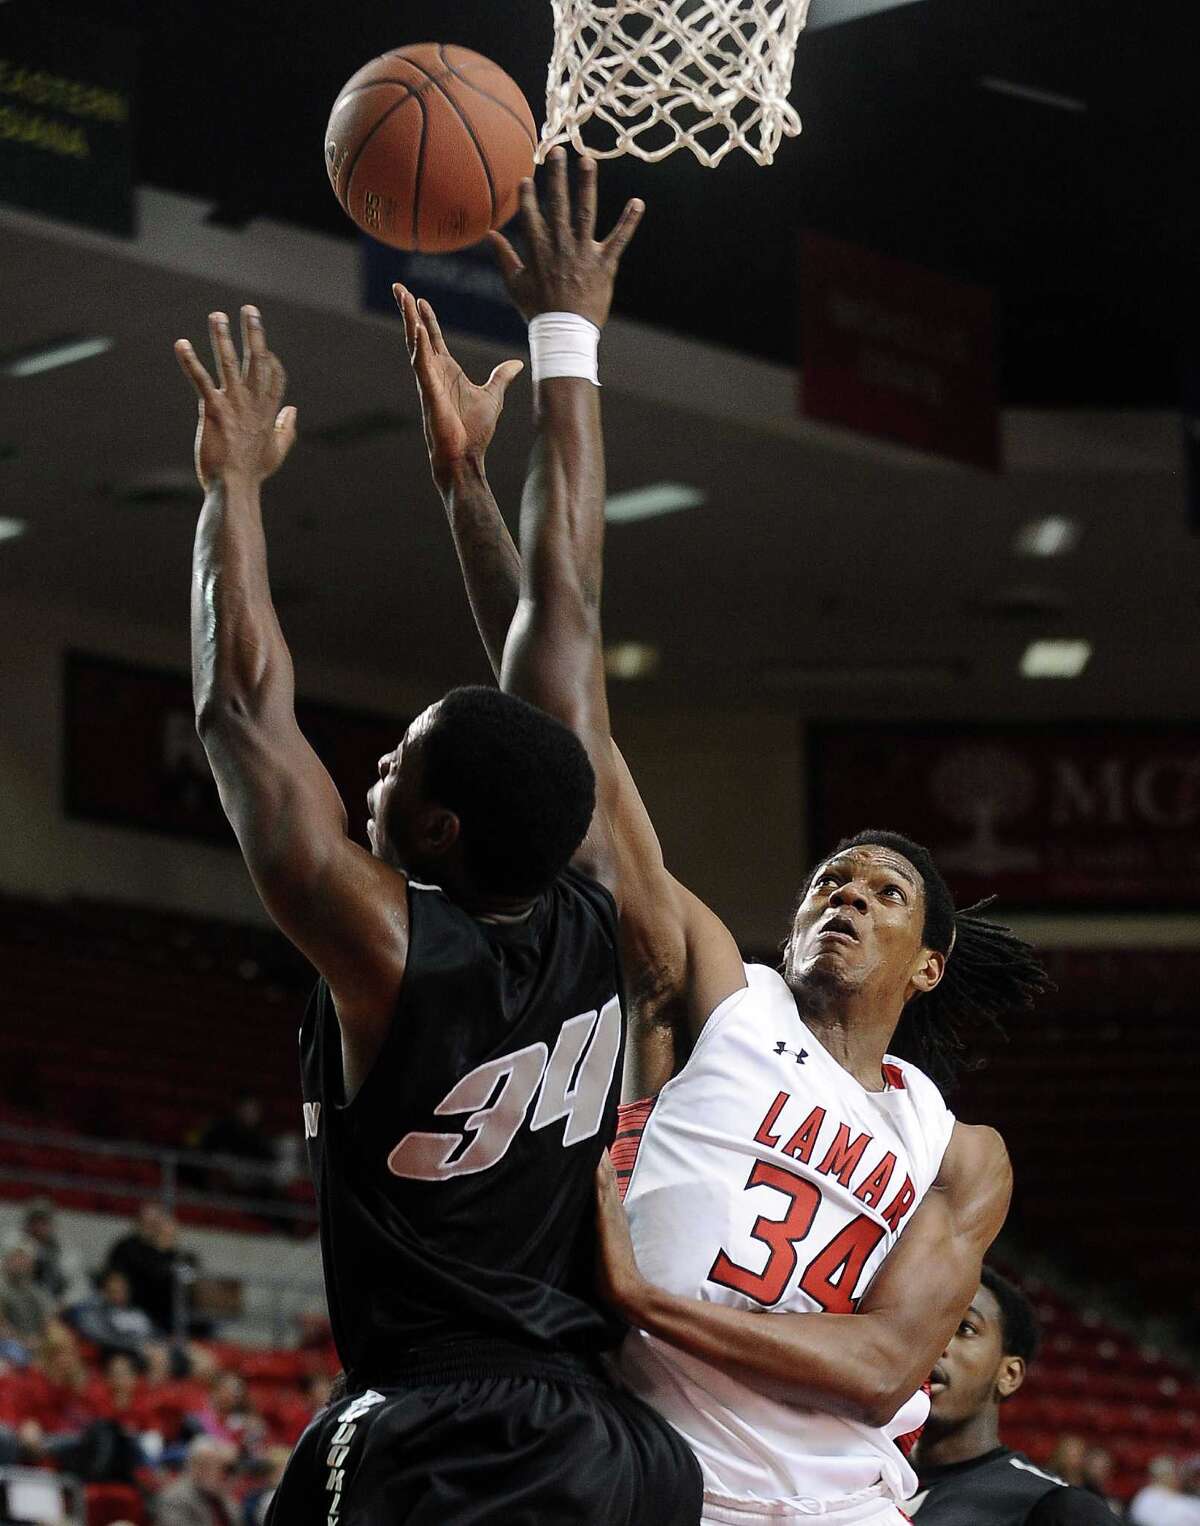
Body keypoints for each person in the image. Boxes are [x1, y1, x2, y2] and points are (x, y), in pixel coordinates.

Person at [402, 146, 1049, 1525]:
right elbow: (559, 721)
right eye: (830, 875)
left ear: (928, 962)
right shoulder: (722, 992)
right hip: (651, 1479)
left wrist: (641, 1291)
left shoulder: (957, 1148)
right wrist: (482, 464)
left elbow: (882, 1367)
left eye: (884, 891)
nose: (846, 895)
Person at [171, 165, 699, 1522]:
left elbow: (241, 711)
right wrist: (544, 365)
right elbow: (563, 608)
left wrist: (229, 489)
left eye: (399, 760)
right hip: (617, 1444)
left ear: (438, 825)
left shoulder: (392, 949)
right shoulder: (604, 913)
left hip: (451, 1428)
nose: (377, 768)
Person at [908, 1266, 1114, 1522]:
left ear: (1009, 1375)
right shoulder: (859, 1472)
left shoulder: (1055, 1507)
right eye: (926, 1323)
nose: (936, 1340)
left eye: (965, 1328)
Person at [103, 1204, 198, 1336]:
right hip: (142, 1311)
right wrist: (161, 1250)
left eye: (171, 1227)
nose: (167, 1231)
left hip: (176, 1313)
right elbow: (151, 1278)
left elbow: (189, 1282)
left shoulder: (184, 1257)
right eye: (147, 1221)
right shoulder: (133, 1249)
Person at [68, 1269, 155, 1362]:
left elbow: (154, 1333)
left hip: (148, 1353)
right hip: (118, 1356)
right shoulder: (98, 1314)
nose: (119, 1293)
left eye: (122, 1288)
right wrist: (137, 1345)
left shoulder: (138, 1314)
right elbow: (105, 1337)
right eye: (114, 1290)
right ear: (105, 1291)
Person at [155, 1434, 239, 1526]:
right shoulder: (175, 1500)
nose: (230, 1476)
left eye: (232, 1470)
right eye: (225, 1469)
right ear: (199, 1468)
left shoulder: (224, 1499)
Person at [22, 1198, 89, 1307]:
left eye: (44, 1222)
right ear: (27, 1224)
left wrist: (64, 1303)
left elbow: (80, 1286)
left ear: (53, 1224)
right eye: (34, 1221)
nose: (39, 1226)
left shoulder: (65, 1250)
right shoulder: (15, 1245)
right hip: (29, 1303)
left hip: (62, 1304)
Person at [0, 1236, 55, 1341]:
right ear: (5, 1260)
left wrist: (40, 1341)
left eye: (25, 1258)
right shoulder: (2, 1289)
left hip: (34, 1343)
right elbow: (3, 1328)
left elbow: (49, 1322)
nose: (21, 1262)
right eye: (16, 1257)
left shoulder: (38, 1292)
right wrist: (24, 1341)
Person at [1129, 1455, 1200, 1525]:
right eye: (1170, 1474)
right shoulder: (1148, 1496)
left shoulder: (1188, 1498)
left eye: (1177, 1473)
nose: (1176, 1477)